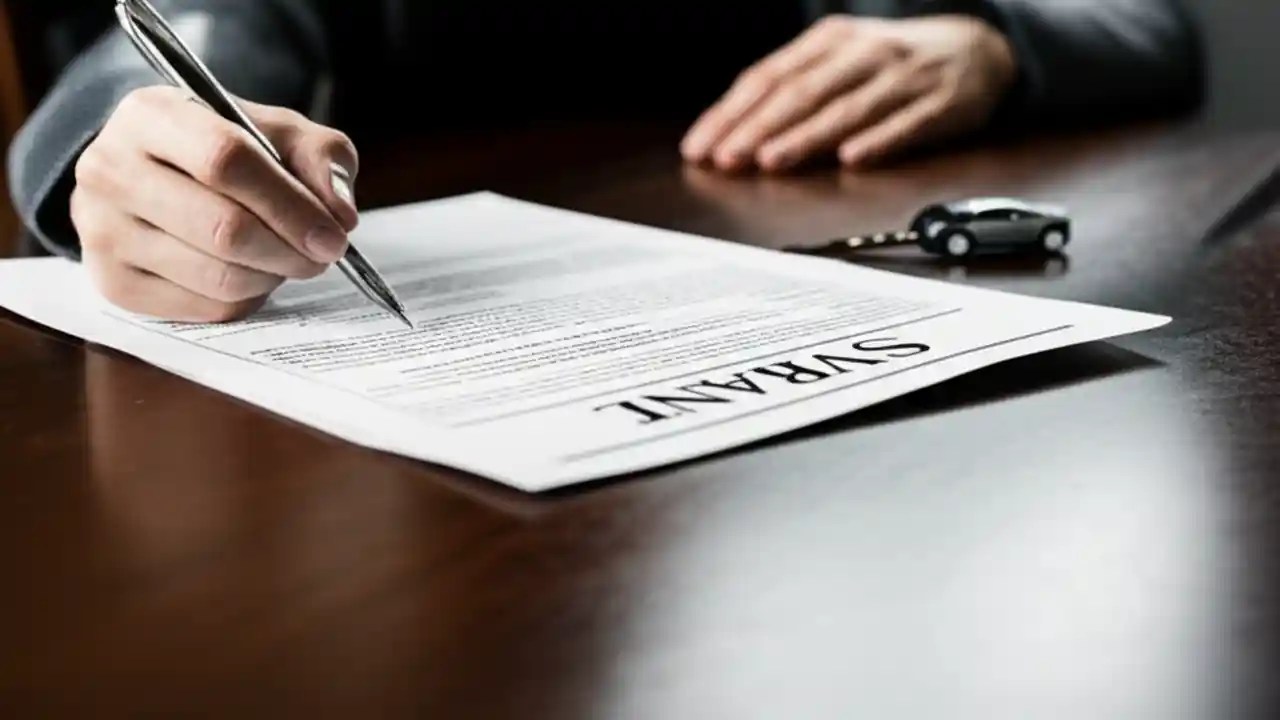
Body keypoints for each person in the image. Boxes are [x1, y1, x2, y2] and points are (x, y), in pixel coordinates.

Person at [7, 0, 1201, 323]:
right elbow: (196, 28)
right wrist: (143, 136)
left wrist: (988, 36)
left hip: (779, 248)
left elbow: (1147, 23)